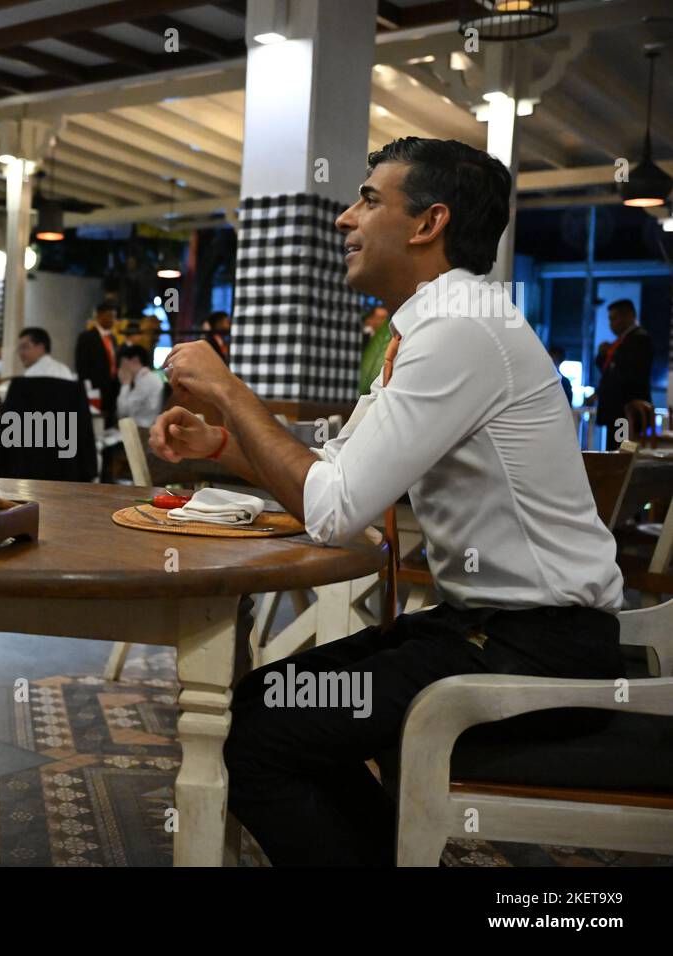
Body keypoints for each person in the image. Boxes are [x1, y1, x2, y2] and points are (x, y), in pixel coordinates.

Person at [150, 136, 624, 866]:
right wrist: (221, 445)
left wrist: (229, 389)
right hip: (490, 630)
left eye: (369, 200)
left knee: (260, 733)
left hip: (533, 651)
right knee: (265, 705)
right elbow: (337, 474)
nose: (346, 218)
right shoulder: (439, 324)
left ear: (429, 223)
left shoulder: (461, 329)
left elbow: (333, 511)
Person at [593, 298, 652, 449]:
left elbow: (628, 375)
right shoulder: (621, 342)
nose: (611, 324)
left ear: (629, 316)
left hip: (626, 411)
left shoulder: (639, 339)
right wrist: (603, 355)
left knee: (622, 454)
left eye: (614, 318)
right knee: (615, 452)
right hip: (616, 411)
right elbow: (610, 372)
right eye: (610, 319)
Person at [75, 299, 120, 428]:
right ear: (100, 315)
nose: (112, 320)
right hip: (94, 386)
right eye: (109, 316)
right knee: (95, 421)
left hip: (111, 387)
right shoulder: (87, 337)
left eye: (114, 317)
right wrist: (87, 386)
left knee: (109, 420)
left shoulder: (113, 339)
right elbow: (81, 364)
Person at [115, 343, 164, 428]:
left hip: (142, 430)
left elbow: (123, 412)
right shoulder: (146, 378)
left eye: (123, 364)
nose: (120, 369)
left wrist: (125, 384)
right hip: (142, 428)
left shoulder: (146, 380)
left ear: (135, 360)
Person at [359, 304, 392, 395]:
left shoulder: (386, 338)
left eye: (384, 318)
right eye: (379, 318)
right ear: (369, 319)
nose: (382, 321)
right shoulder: (363, 335)